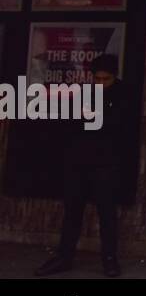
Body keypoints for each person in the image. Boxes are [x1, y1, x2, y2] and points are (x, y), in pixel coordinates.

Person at [34, 54, 133, 278]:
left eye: (105, 79)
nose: (100, 83)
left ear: (114, 77)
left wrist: (91, 118)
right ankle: (64, 256)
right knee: (72, 211)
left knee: (106, 212)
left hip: (106, 162)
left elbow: (119, 126)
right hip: (80, 161)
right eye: (97, 79)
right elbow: (70, 123)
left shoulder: (124, 94)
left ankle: (109, 259)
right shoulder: (84, 92)